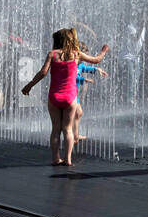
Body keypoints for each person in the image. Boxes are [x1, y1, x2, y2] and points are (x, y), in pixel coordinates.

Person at [21, 29, 110, 166]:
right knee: (68, 129)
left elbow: (43, 72)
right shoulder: (76, 55)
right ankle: (68, 159)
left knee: (56, 129)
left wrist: (29, 85)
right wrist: (104, 51)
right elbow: (96, 60)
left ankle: (56, 158)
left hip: (54, 96)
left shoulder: (52, 54)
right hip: (70, 97)